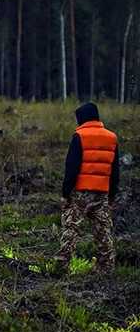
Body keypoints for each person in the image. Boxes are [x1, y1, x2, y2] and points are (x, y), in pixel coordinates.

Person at [56, 102, 119, 273]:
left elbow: (72, 167)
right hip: (102, 193)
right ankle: (106, 267)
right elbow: (115, 171)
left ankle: (62, 266)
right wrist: (111, 196)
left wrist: (65, 193)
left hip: (80, 193)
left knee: (71, 229)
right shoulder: (111, 138)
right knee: (103, 231)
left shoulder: (79, 136)